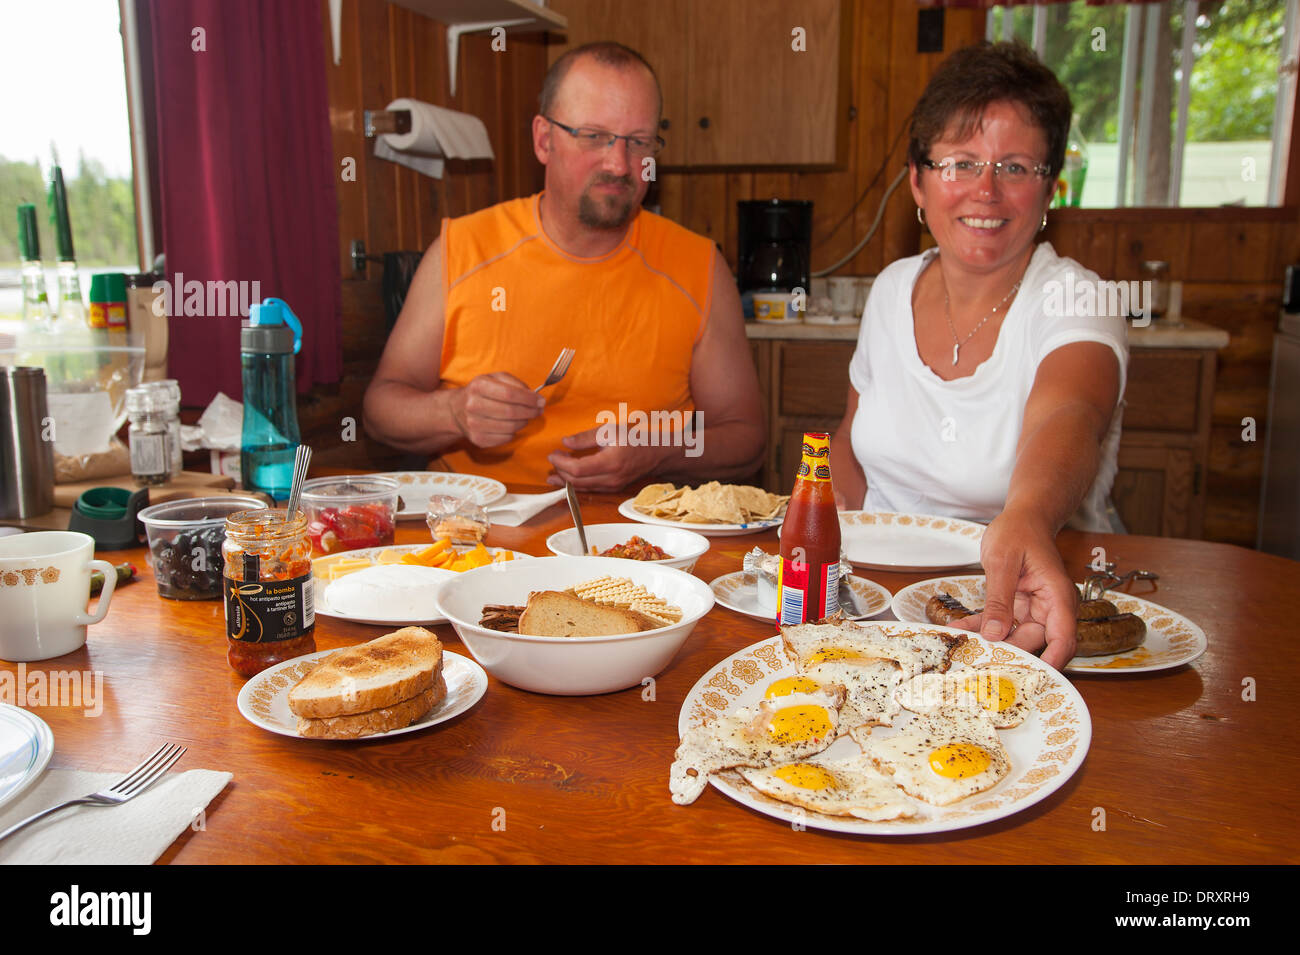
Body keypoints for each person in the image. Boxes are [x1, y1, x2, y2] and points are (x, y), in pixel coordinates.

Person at [829, 42, 1128, 669]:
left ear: (1051, 190)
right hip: (874, 609)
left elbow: (1069, 414)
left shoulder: (1077, 297)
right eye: (960, 163)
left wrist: (1024, 517)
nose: (986, 192)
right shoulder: (889, 290)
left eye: (1016, 168)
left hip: (1011, 613)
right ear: (918, 179)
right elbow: (850, 442)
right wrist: (833, 558)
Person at [363, 42, 765, 490]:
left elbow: (746, 439)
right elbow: (381, 409)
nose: (619, 163)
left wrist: (658, 452)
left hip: (637, 545)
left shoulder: (699, 266)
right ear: (543, 140)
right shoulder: (463, 249)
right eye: (593, 136)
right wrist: (454, 412)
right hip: (477, 540)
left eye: (639, 142)